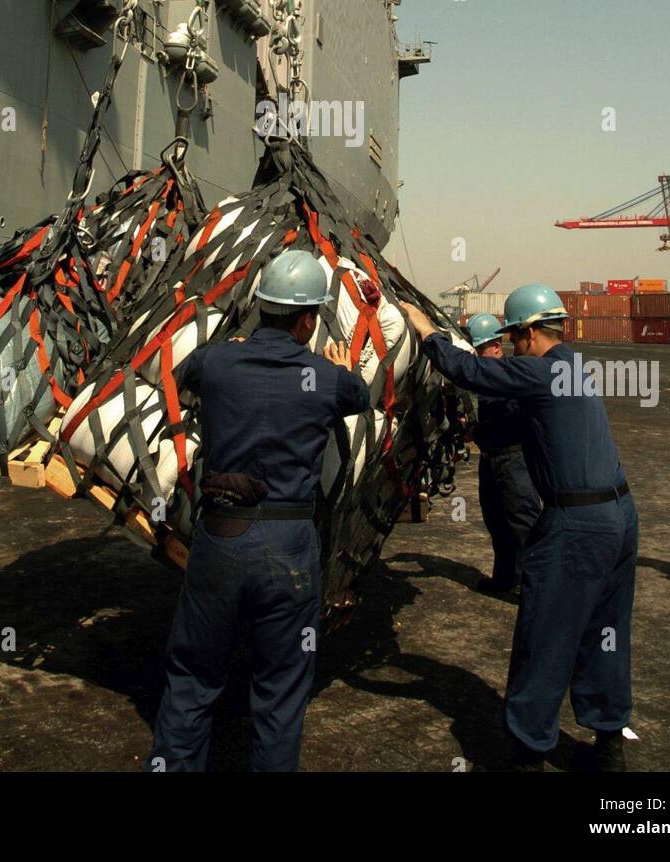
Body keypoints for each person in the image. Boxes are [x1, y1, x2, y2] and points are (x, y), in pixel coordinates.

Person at [149, 249, 370, 772]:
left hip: (220, 537)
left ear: (259, 307)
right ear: (307, 319)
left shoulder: (217, 360)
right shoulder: (324, 377)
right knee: (279, 691)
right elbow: (360, 395)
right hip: (288, 550)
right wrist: (339, 366)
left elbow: (182, 376)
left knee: (193, 678)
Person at [401, 284, 637, 773]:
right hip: (619, 517)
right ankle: (608, 743)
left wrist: (426, 333)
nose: (511, 345)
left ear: (530, 332)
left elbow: (469, 371)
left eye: (513, 337)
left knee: (545, 634)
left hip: (576, 524)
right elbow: (525, 426)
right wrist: (478, 434)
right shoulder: (574, 368)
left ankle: (529, 752)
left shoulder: (539, 369)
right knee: (604, 630)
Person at [463, 312, 541, 595]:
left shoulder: (511, 377)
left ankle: (535, 590)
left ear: (496, 346)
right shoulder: (482, 377)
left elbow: (506, 417)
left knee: (524, 525)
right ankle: (506, 578)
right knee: (496, 522)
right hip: (491, 460)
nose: (474, 359)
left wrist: (476, 430)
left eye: (478, 351)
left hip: (514, 461)